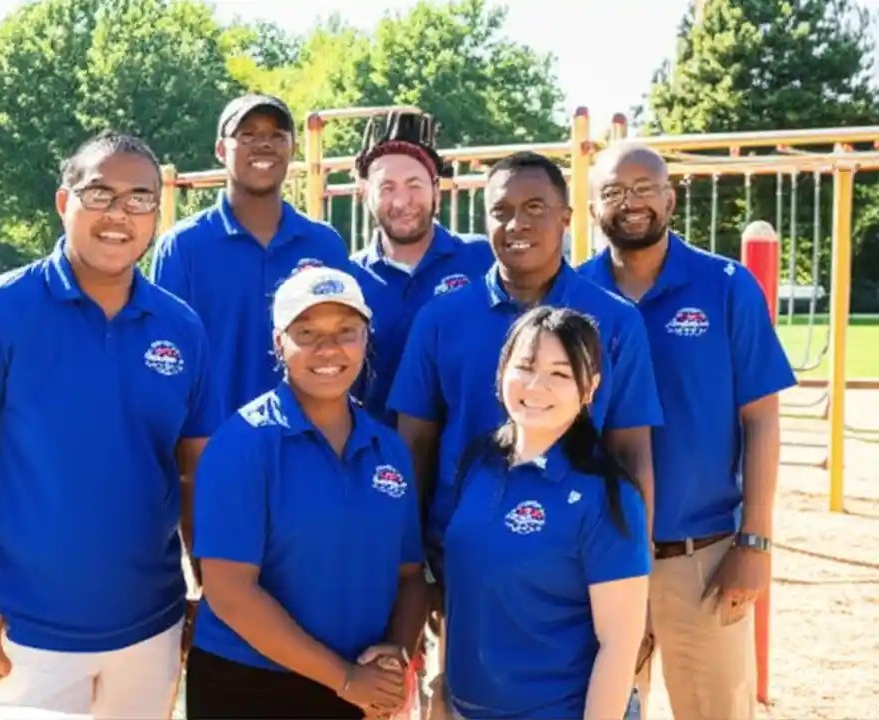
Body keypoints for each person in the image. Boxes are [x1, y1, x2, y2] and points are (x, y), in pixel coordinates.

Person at [0, 131, 222, 718]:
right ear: (64, 203)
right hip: (20, 637)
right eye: (100, 193)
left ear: (156, 214)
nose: (119, 214)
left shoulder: (181, 328)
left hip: (150, 627)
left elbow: (195, 476)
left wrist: (211, 590)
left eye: (139, 199)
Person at [579, 143, 795, 720]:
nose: (632, 203)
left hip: (702, 555)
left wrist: (754, 541)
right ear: (593, 205)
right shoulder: (573, 297)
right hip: (595, 556)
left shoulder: (726, 285)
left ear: (670, 197)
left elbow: (762, 417)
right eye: (614, 191)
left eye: (645, 188)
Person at [187, 266, 427, 719]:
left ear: (365, 338)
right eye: (307, 332)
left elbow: (410, 577)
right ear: (280, 343)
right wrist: (346, 679)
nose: (328, 348)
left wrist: (393, 657)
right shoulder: (243, 443)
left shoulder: (387, 450)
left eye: (346, 331)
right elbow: (230, 593)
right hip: (250, 689)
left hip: (356, 688)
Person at [388, 151, 662, 542]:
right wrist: (411, 566)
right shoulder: (440, 319)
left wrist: (634, 561)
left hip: (577, 556)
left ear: (565, 219)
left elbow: (631, 449)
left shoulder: (615, 320)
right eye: (501, 210)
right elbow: (414, 444)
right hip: (462, 556)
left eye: (535, 208)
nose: (518, 223)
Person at [437, 305, 650, 719]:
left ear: (590, 390)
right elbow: (462, 592)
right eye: (525, 366)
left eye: (560, 373)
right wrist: (443, 691)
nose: (536, 386)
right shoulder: (478, 463)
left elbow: (620, 641)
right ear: (501, 373)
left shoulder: (606, 495)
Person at [150, 94, 352, 416]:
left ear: (293, 149)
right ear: (220, 150)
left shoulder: (325, 245)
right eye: (247, 135)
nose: (264, 145)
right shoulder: (183, 247)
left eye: (276, 135)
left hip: (307, 448)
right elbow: (165, 361)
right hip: (212, 449)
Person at [349, 124, 494, 425]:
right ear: (365, 194)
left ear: (436, 190)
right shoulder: (349, 279)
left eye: (414, 184)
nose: (402, 201)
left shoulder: (483, 259)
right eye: (386, 188)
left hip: (472, 457)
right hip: (381, 461)